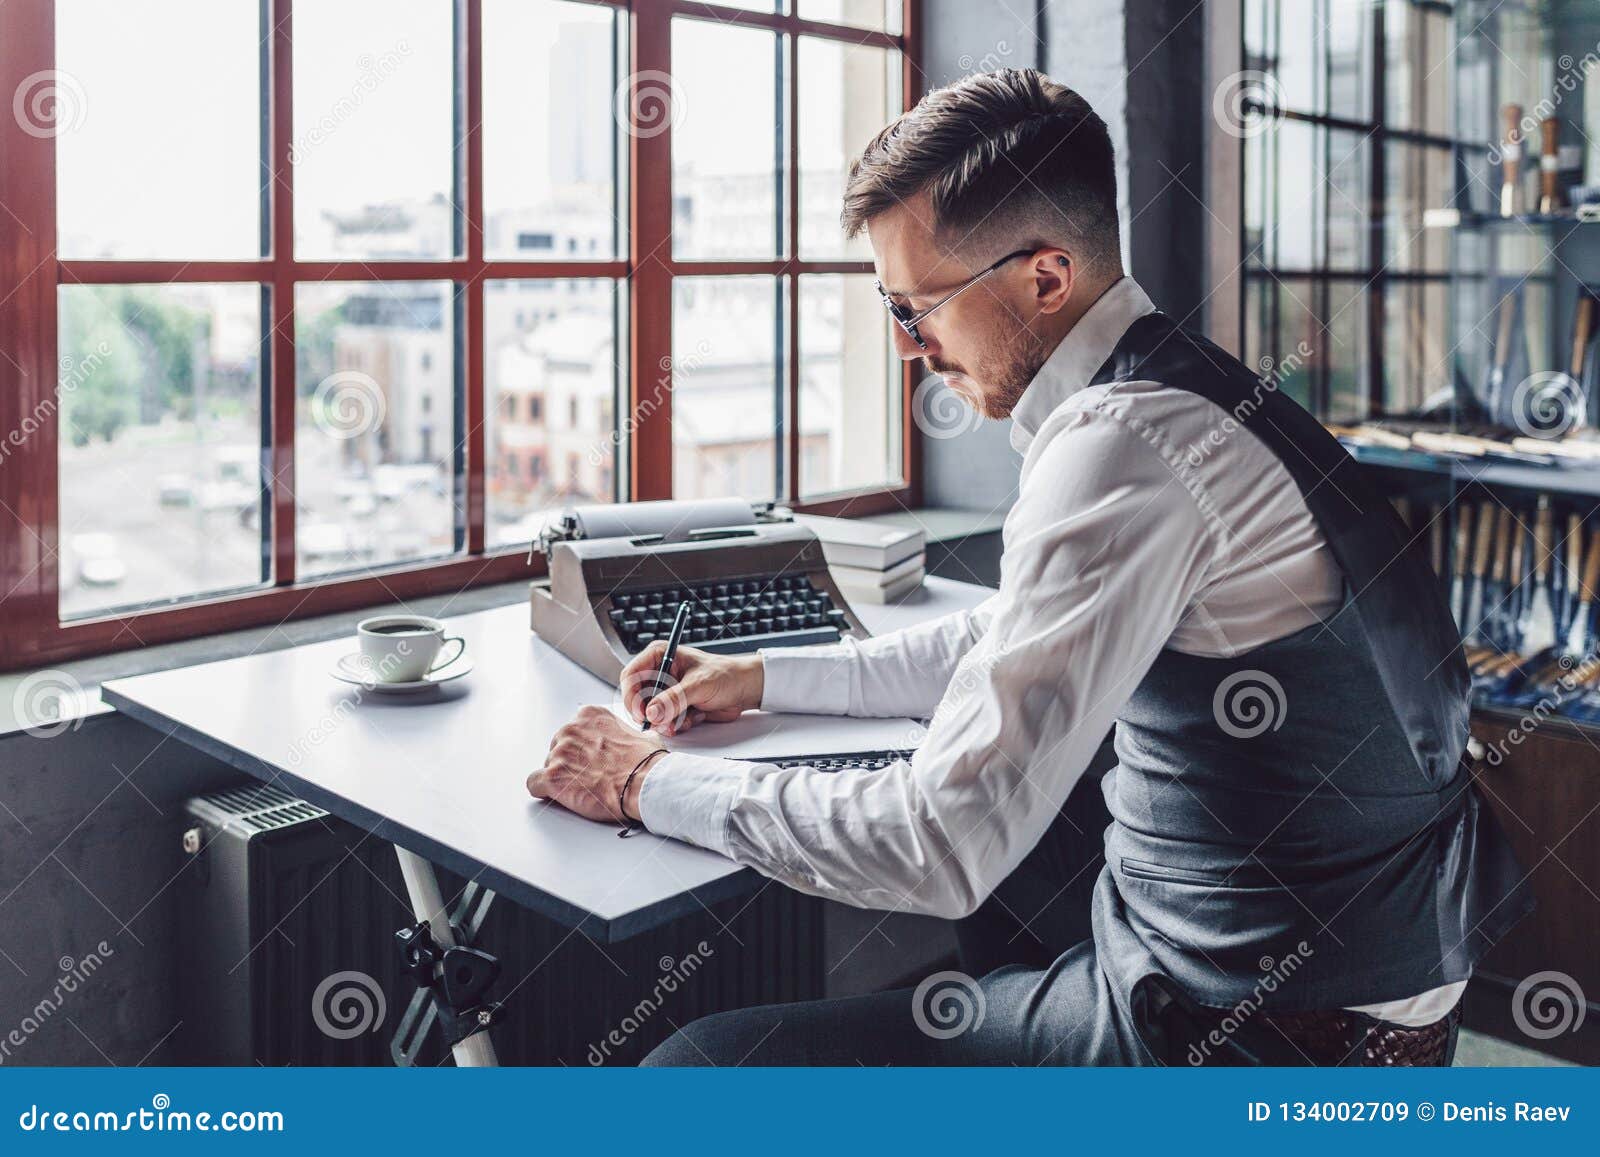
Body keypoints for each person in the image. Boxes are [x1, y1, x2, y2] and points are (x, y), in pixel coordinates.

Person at [525, 68, 1530, 1066]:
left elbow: (938, 844)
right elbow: (1007, 631)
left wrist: (647, 782)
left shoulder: (1127, 444)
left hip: (1271, 1037)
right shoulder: (1190, 387)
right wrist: (762, 677)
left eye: (918, 307)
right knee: (1013, 835)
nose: (906, 346)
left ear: (1045, 276)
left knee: (693, 1067)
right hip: (1355, 955)